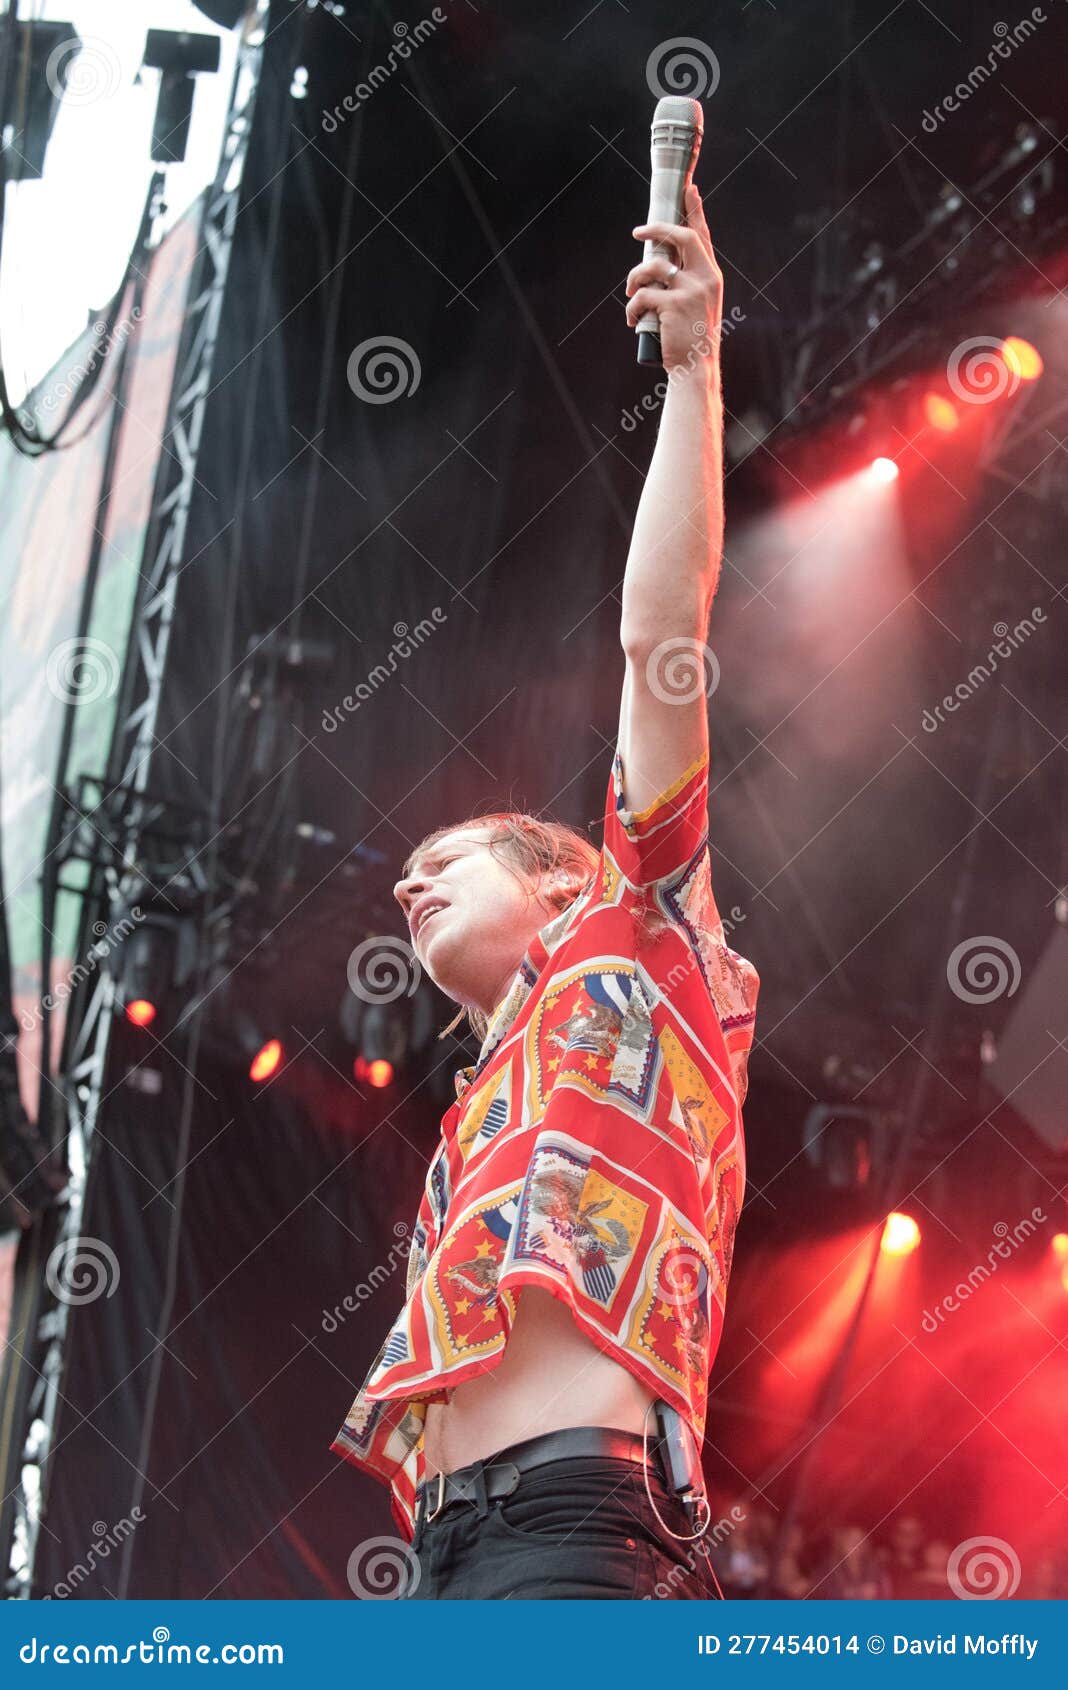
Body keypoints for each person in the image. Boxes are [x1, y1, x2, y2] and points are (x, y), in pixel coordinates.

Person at [330, 184, 760, 1600]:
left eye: (445, 857)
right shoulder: (479, 1105)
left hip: (571, 1536)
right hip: (452, 1550)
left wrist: (694, 366)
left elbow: (661, 642)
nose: (406, 878)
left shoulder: (634, 944)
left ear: (564, 879)